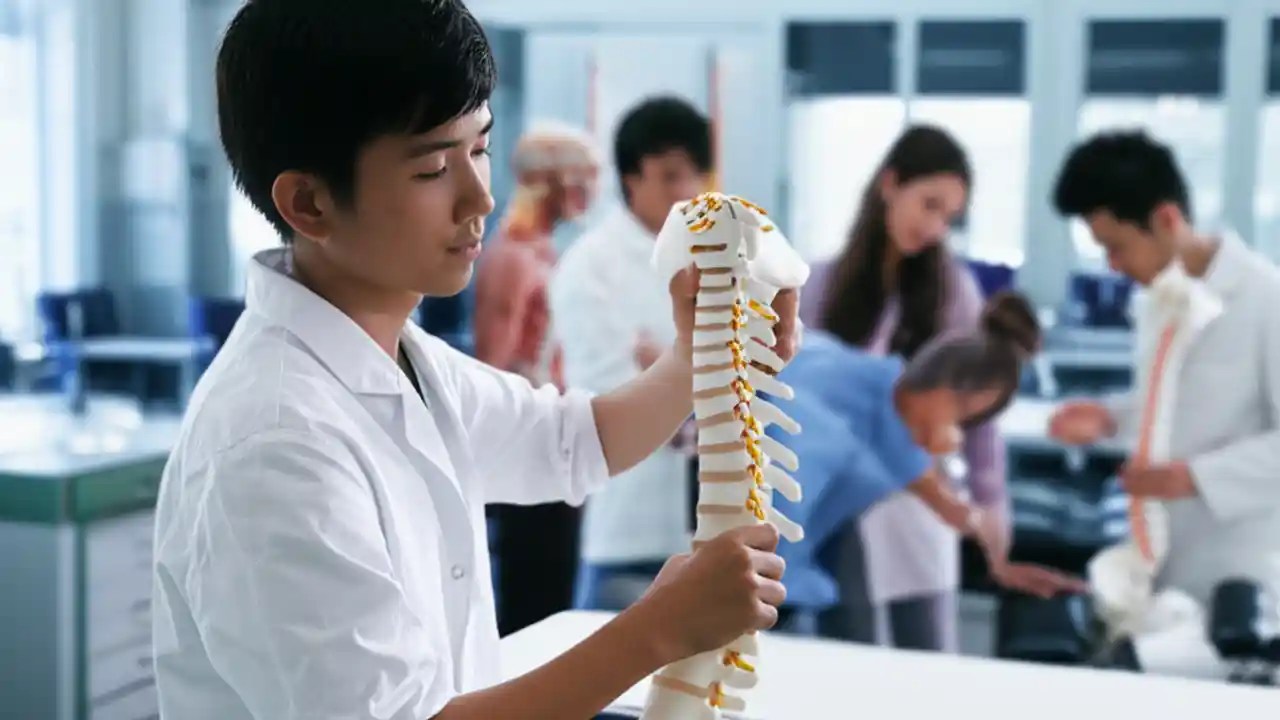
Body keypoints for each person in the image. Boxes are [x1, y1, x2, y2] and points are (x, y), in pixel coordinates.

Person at [150, 3, 801, 719]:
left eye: (481, 147)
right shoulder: (273, 445)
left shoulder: (401, 356)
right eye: (433, 167)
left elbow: (575, 440)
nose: (482, 197)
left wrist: (703, 349)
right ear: (309, 202)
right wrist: (660, 629)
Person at [800, 125, 1020, 651]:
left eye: (949, 217)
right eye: (929, 205)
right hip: (841, 509)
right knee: (849, 658)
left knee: (927, 657)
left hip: (921, 507)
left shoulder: (953, 294)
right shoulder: (818, 284)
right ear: (890, 184)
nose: (936, 227)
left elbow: (979, 417)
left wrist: (990, 500)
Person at [1047, 130, 1280, 611]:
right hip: (1164, 557)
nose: (1112, 266)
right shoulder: (1159, 303)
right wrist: (1110, 418)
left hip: (1245, 567)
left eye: (1118, 247)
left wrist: (1196, 478)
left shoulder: (1265, 298)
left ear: (1166, 219)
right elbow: (1174, 407)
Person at [771, 293, 1086, 618]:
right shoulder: (835, 421)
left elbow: (950, 505)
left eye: (965, 422)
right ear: (937, 378)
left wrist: (1001, 567)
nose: (954, 431)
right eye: (959, 410)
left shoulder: (892, 420)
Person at [549, 96, 713, 610]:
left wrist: (664, 362)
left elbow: (742, 381)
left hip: (710, 528)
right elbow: (610, 396)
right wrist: (692, 380)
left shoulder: (714, 259)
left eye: (693, 176)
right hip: (630, 528)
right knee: (606, 679)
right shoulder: (590, 266)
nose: (685, 192)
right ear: (630, 178)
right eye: (669, 176)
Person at [470, 123, 600, 636]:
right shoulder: (513, 257)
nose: (591, 192)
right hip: (525, 441)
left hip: (552, 434)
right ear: (552, 181)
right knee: (533, 600)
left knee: (554, 592)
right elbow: (494, 361)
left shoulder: (543, 252)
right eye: (583, 178)